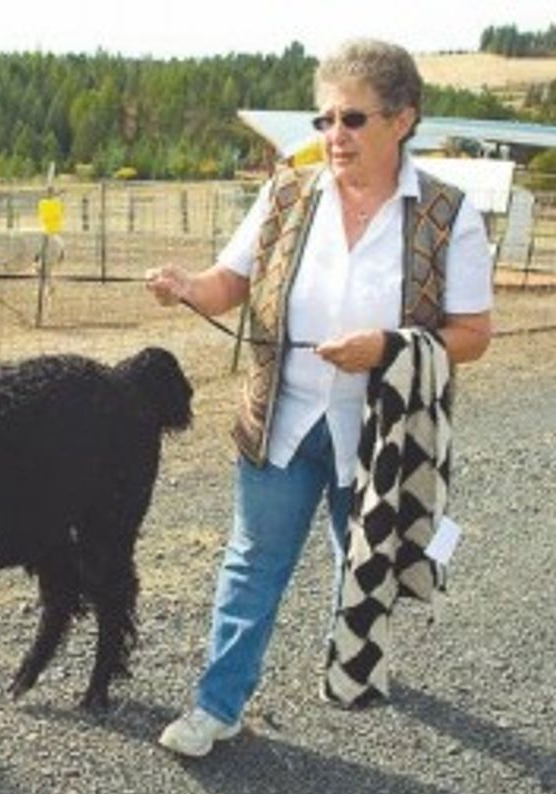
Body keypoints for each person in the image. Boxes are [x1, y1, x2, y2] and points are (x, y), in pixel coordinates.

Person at [144, 38, 493, 757]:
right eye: (325, 120)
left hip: (381, 431)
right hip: (282, 417)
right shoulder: (286, 195)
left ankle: (356, 657)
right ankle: (218, 705)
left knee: (362, 553)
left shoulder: (447, 215)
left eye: (353, 119)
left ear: (403, 119)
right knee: (252, 561)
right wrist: (189, 288)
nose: (335, 135)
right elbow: (228, 282)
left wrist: (388, 348)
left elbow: (472, 334)